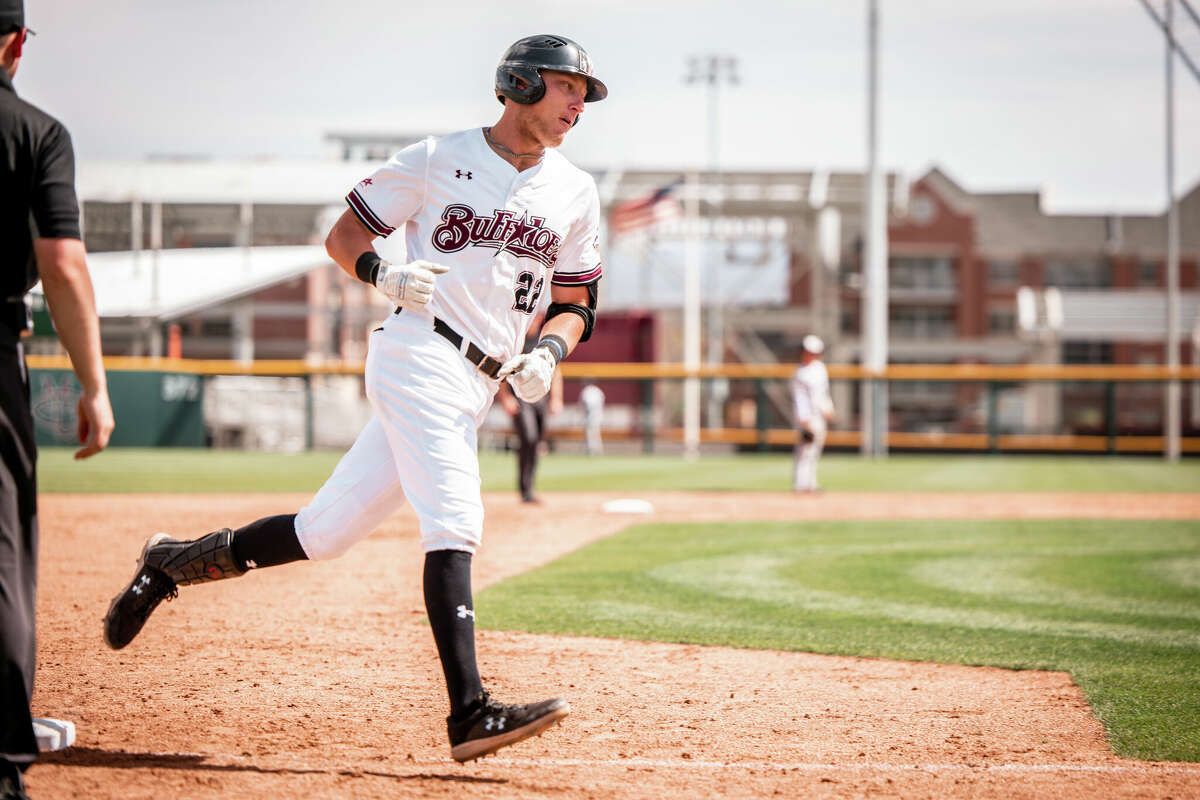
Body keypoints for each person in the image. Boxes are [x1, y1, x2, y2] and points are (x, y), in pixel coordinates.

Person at [102, 34, 606, 764]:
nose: (579, 103)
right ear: (520, 83)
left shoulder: (575, 190)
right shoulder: (437, 157)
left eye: (585, 93)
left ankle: (170, 564)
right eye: (566, 87)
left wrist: (551, 351)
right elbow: (342, 236)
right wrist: (383, 274)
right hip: (418, 352)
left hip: (482, 381)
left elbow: (577, 298)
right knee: (456, 517)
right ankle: (469, 711)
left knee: (324, 532)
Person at [1, 4, 115, 798]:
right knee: (2, 556)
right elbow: (64, 266)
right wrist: (94, 383)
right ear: (13, 42)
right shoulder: (34, 130)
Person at [497, 313, 563, 503]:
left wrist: (556, 399)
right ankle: (525, 489)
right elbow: (502, 371)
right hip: (519, 399)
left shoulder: (542, 342)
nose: (533, 322)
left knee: (536, 442)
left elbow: (556, 372)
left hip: (540, 399)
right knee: (529, 437)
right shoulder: (515, 341)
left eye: (537, 319)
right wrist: (506, 398)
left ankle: (530, 487)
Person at [792, 335, 833, 493]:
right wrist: (804, 420)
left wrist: (829, 408)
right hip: (808, 417)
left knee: (815, 451)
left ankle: (811, 483)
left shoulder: (820, 368)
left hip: (820, 415)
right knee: (805, 451)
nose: (812, 355)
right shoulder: (800, 373)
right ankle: (800, 484)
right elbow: (800, 399)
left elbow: (824, 393)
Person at [579, 381, 605, 456]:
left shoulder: (587, 390)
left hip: (591, 414)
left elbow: (585, 403)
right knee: (596, 433)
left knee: (590, 433)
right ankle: (597, 451)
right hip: (598, 413)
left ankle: (591, 451)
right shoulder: (597, 390)